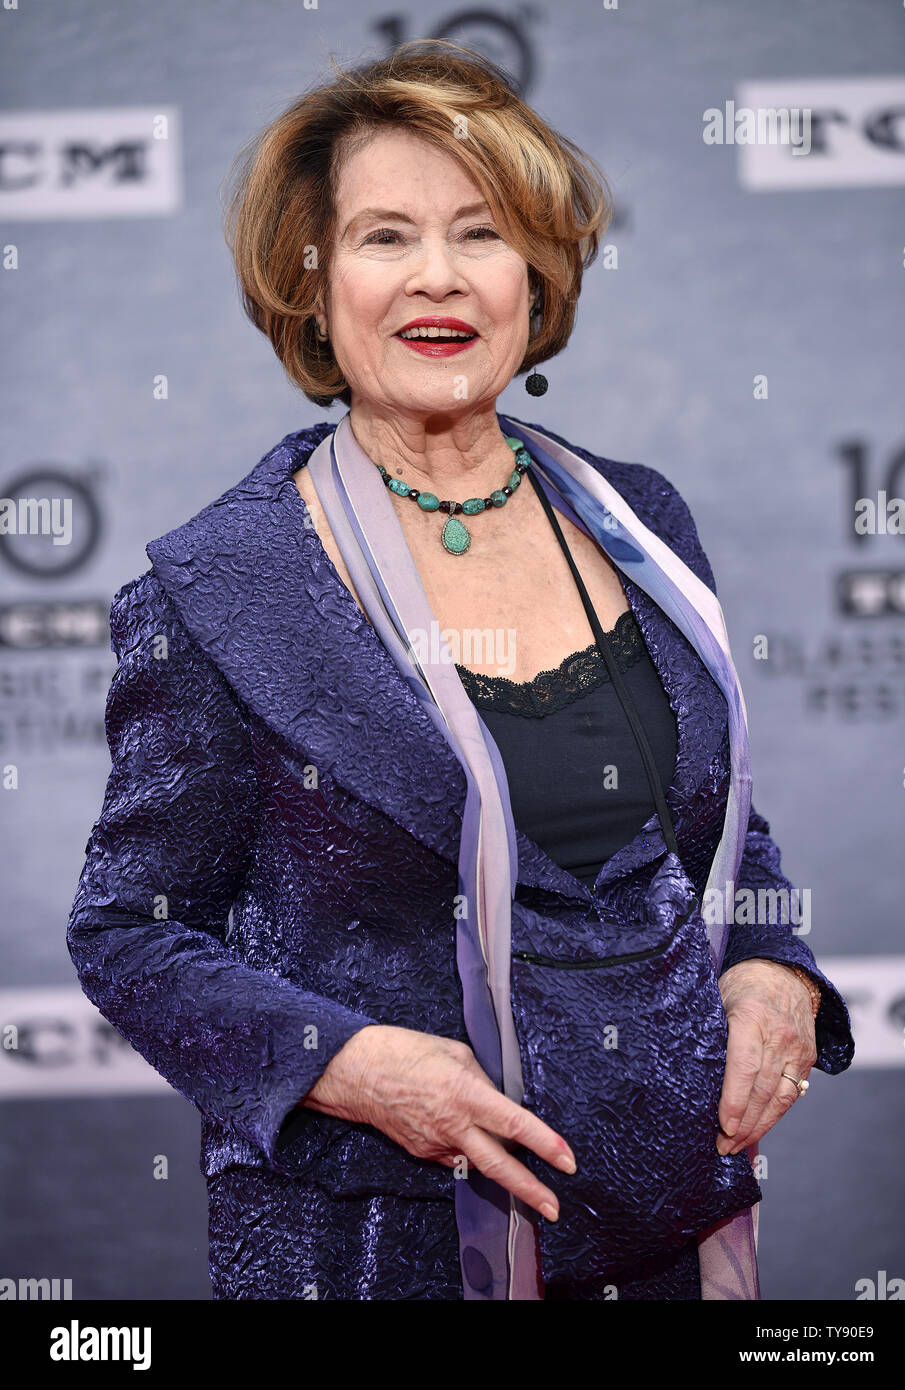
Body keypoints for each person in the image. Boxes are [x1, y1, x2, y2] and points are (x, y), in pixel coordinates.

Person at [66, 41, 853, 1301]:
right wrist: (353, 1060)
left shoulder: (639, 520)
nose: (439, 275)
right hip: (391, 1247)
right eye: (385, 237)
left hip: (672, 1231)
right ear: (312, 286)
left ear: (536, 280)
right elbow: (131, 932)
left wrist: (773, 963)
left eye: (481, 233)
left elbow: (713, 829)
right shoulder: (220, 589)